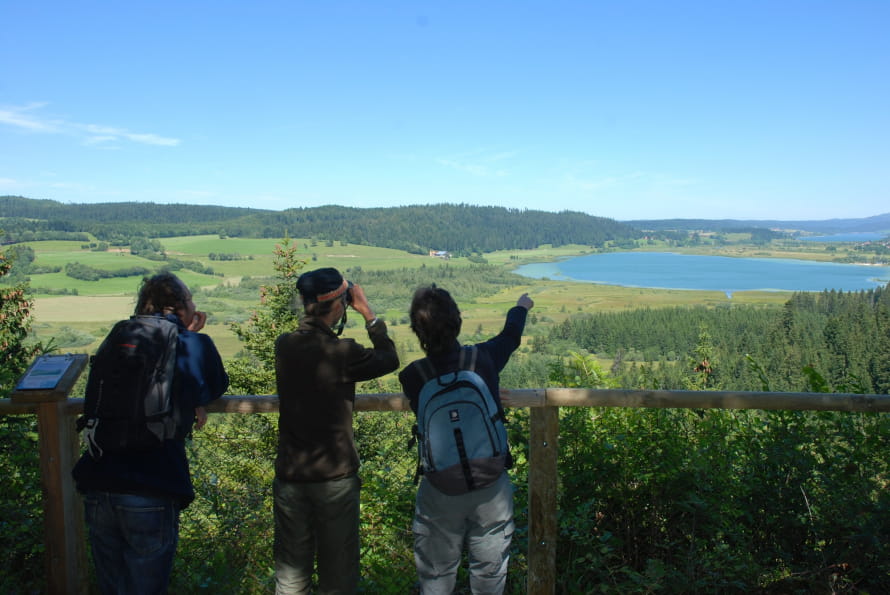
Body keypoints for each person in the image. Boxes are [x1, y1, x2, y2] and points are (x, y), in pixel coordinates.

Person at [72, 272, 229, 594]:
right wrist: (191, 336)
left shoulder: (120, 335)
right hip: (153, 483)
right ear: (180, 307)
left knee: (111, 586)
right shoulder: (191, 343)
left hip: (99, 480)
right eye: (190, 300)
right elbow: (215, 385)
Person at [399, 285, 533, 595]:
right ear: (457, 321)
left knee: (436, 575)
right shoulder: (483, 359)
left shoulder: (413, 376)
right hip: (490, 484)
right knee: (489, 572)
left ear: (418, 331)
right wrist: (521, 306)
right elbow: (511, 336)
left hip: (439, 487)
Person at [273, 267, 399, 594]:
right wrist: (368, 314)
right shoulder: (342, 352)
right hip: (334, 479)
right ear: (340, 305)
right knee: (338, 576)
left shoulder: (284, 345)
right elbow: (389, 358)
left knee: (290, 577)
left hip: (290, 476)